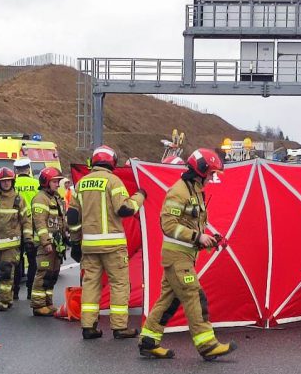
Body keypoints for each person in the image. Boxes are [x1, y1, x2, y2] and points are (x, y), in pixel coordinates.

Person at [138, 148, 237, 361]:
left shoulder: (194, 191)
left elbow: (187, 226)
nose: (212, 178)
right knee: (194, 296)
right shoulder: (179, 191)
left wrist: (206, 239)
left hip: (182, 257)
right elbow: (168, 225)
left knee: (168, 300)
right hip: (177, 259)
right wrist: (197, 237)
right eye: (211, 173)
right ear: (200, 171)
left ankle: (148, 341)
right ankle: (207, 345)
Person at [70, 144, 146, 340]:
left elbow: (72, 217)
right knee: (119, 285)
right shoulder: (114, 181)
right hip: (113, 246)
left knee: (91, 285)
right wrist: (140, 196)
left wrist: (76, 243)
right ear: (112, 162)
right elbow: (125, 209)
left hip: (89, 246)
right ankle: (120, 328)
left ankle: (88, 326)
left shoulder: (81, 184)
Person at [0, 166, 32, 312]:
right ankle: (7, 297)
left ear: (12, 181)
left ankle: (4, 300)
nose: (6, 184)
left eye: (8, 181)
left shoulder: (18, 200)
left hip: (12, 244)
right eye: (3, 181)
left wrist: (28, 239)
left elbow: (26, 221)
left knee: (6, 270)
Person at [29, 166, 68, 316]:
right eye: (55, 181)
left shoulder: (56, 197)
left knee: (53, 274)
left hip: (56, 244)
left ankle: (48, 302)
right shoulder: (40, 198)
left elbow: (60, 219)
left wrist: (66, 236)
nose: (58, 184)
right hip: (46, 245)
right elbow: (40, 222)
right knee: (43, 273)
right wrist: (46, 243)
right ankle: (38, 305)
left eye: (58, 181)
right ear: (46, 182)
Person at [12, 154, 40, 301]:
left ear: (16, 170)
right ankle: (30, 291)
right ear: (28, 169)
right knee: (33, 261)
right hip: (33, 227)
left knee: (16, 261)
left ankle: (15, 292)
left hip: (16, 226)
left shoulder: (12, 185)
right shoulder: (36, 184)